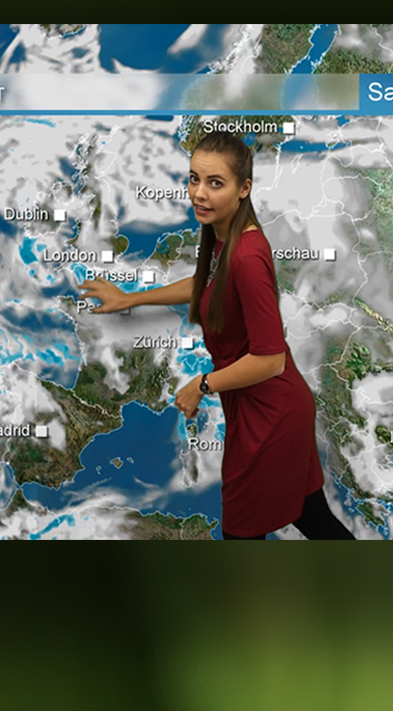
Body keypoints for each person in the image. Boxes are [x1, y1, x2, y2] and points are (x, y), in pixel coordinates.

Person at [77, 130, 353, 539]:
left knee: (242, 533)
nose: (199, 193)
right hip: (268, 409)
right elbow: (207, 287)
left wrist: (202, 385)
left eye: (215, 183)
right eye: (194, 179)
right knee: (313, 518)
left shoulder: (246, 255)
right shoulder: (225, 239)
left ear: (244, 189)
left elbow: (270, 358)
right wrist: (130, 299)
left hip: (272, 418)